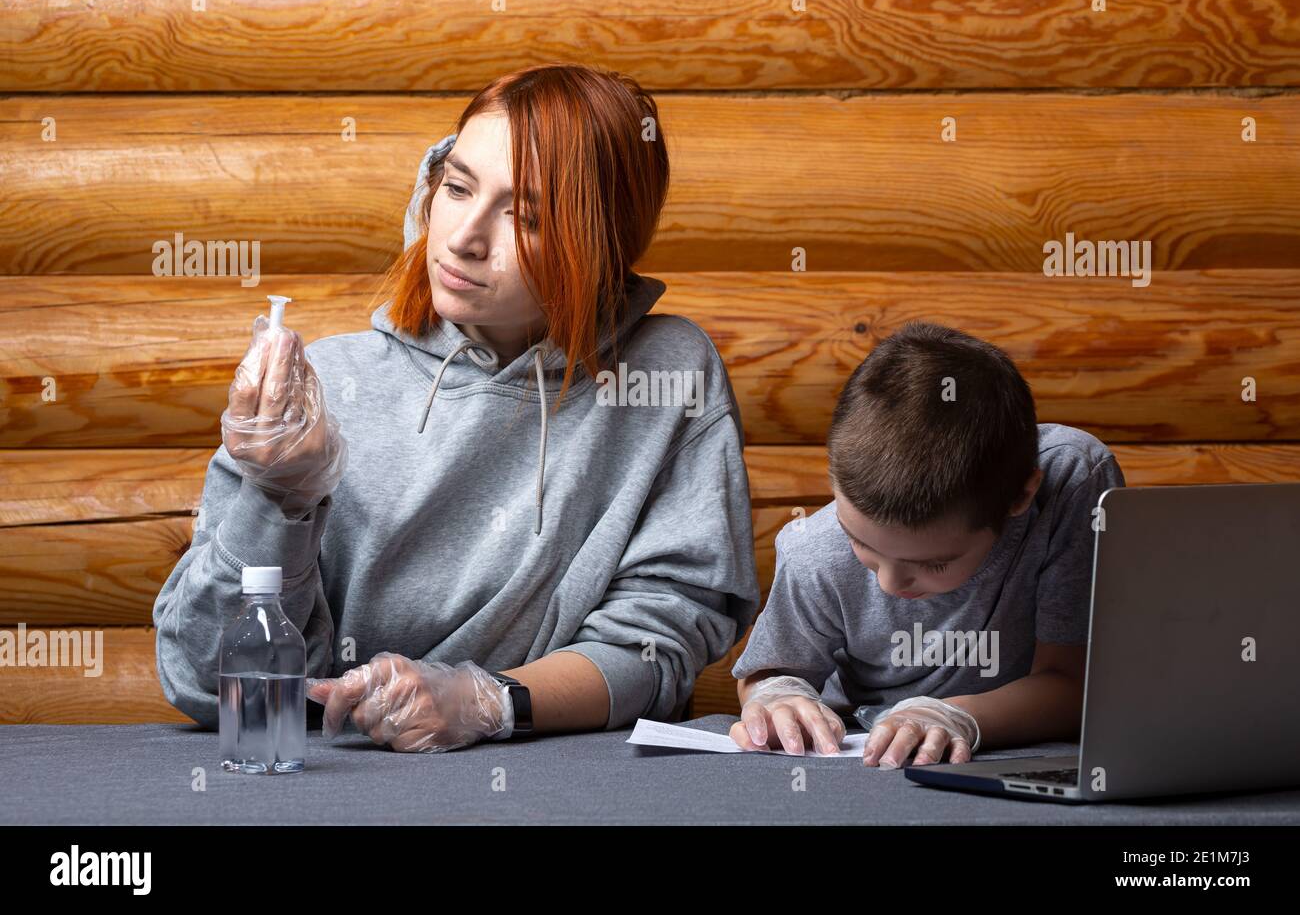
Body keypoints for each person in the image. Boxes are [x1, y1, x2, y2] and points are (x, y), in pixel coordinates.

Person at [153, 64, 760, 752]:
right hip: (327, 787)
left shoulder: (666, 373)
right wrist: (279, 499)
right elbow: (204, 683)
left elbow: (662, 640)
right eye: (458, 186)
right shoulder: (324, 383)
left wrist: (488, 703)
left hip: (561, 785)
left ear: (602, 243)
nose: (465, 237)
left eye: (525, 216)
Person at [729, 322, 1124, 767]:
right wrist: (776, 697)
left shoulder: (1073, 482)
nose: (890, 582)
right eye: (860, 541)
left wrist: (957, 715)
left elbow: (1076, 684)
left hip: (1019, 756)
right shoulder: (815, 551)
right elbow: (768, 673)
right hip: (865, 757)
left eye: (934, 563)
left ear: (1021, 497)